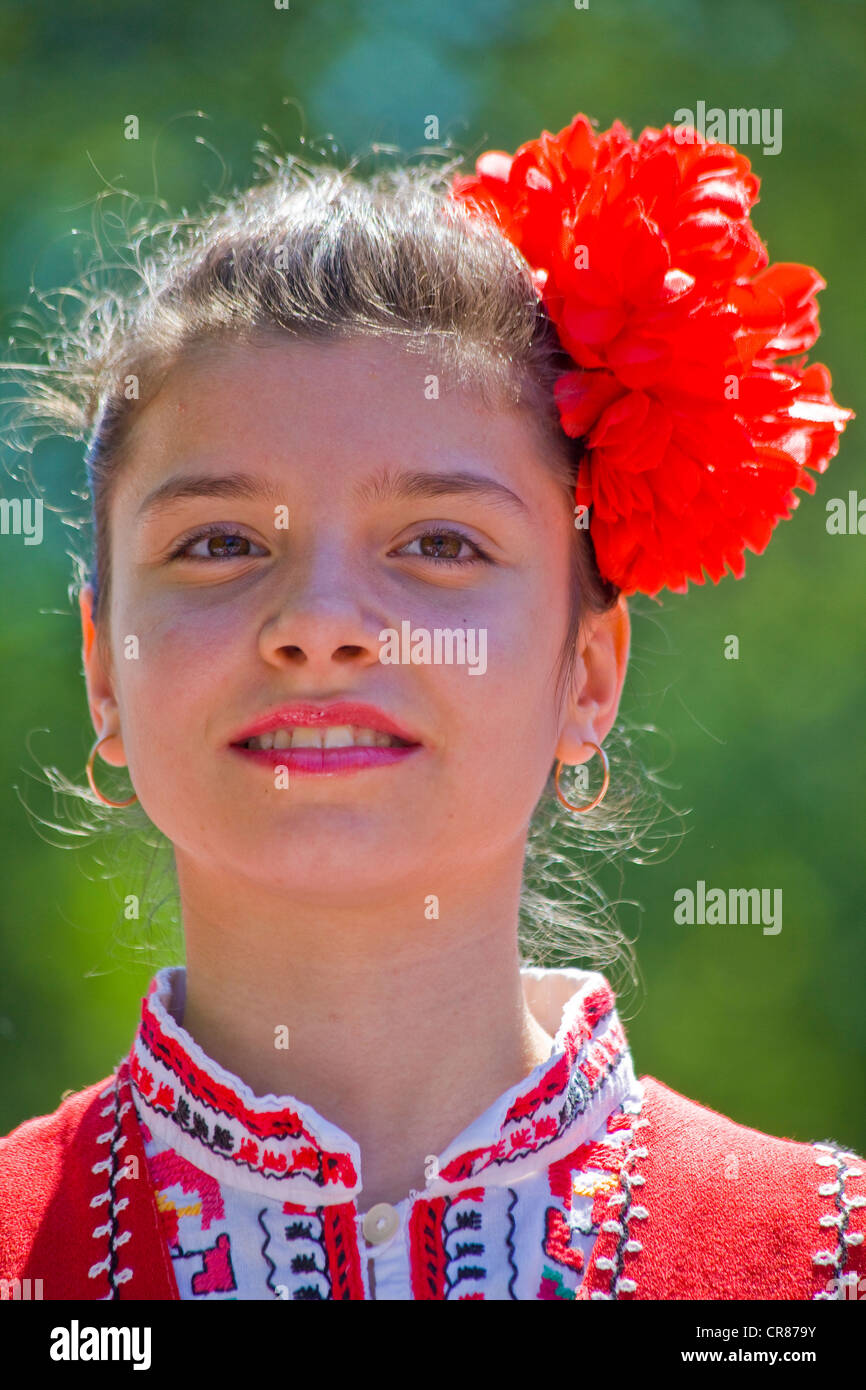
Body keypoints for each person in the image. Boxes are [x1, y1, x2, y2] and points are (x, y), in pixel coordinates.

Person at [0, 113, 863, 1302]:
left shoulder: (815, 1266)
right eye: (219, 542)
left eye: (439, 541)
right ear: (104, 667)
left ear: (589, 673)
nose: (320, 620)